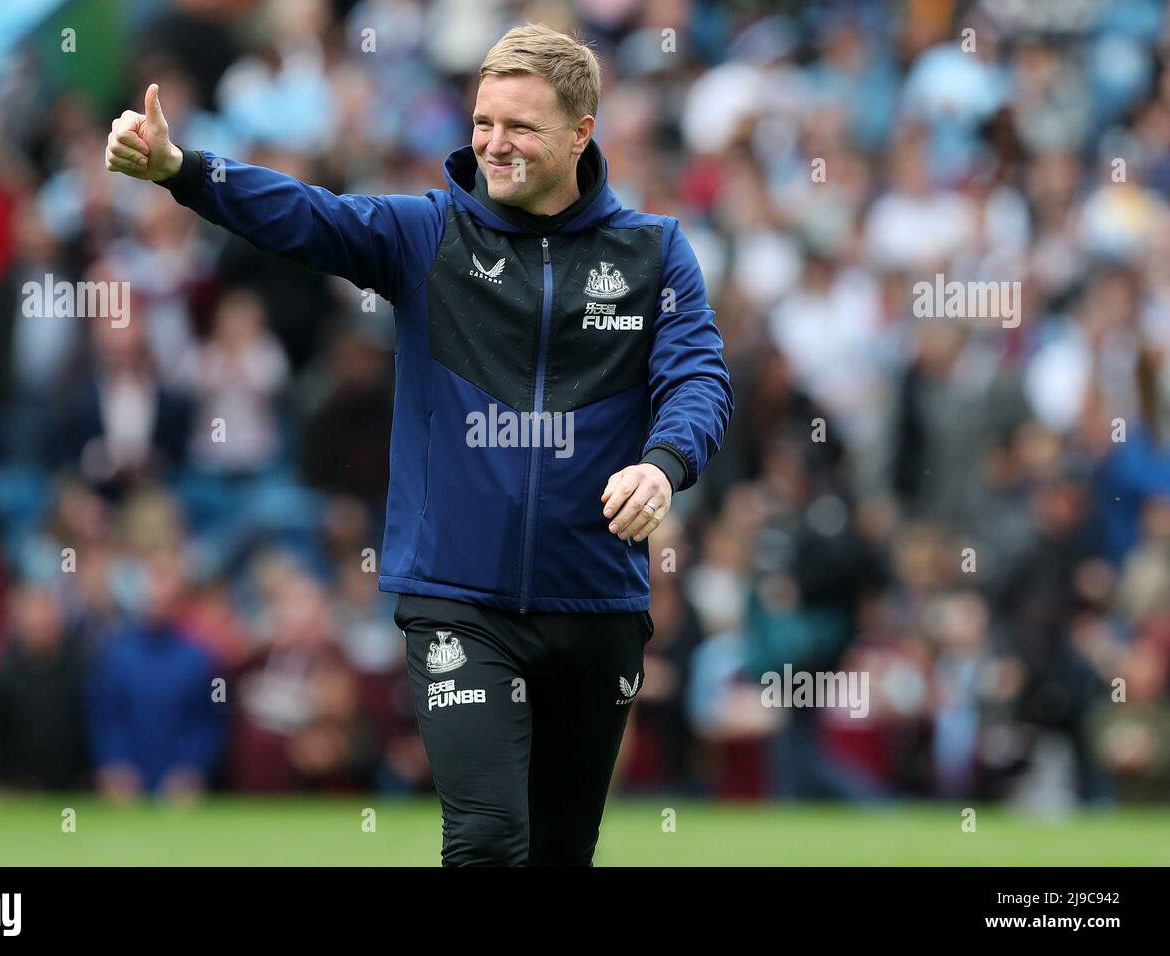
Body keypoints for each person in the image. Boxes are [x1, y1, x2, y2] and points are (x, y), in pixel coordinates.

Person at [105, 23, 732, 865]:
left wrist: (663, 468)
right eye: (483, 122)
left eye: (519, 127)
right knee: (484, 840)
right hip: (455, 598)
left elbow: (699, 380)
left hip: (595, 603)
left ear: (582, 132)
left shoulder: (655, 253)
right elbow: (306, 217)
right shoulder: (426, 236)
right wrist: (185, 172)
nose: (492, 144)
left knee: (556, 851)